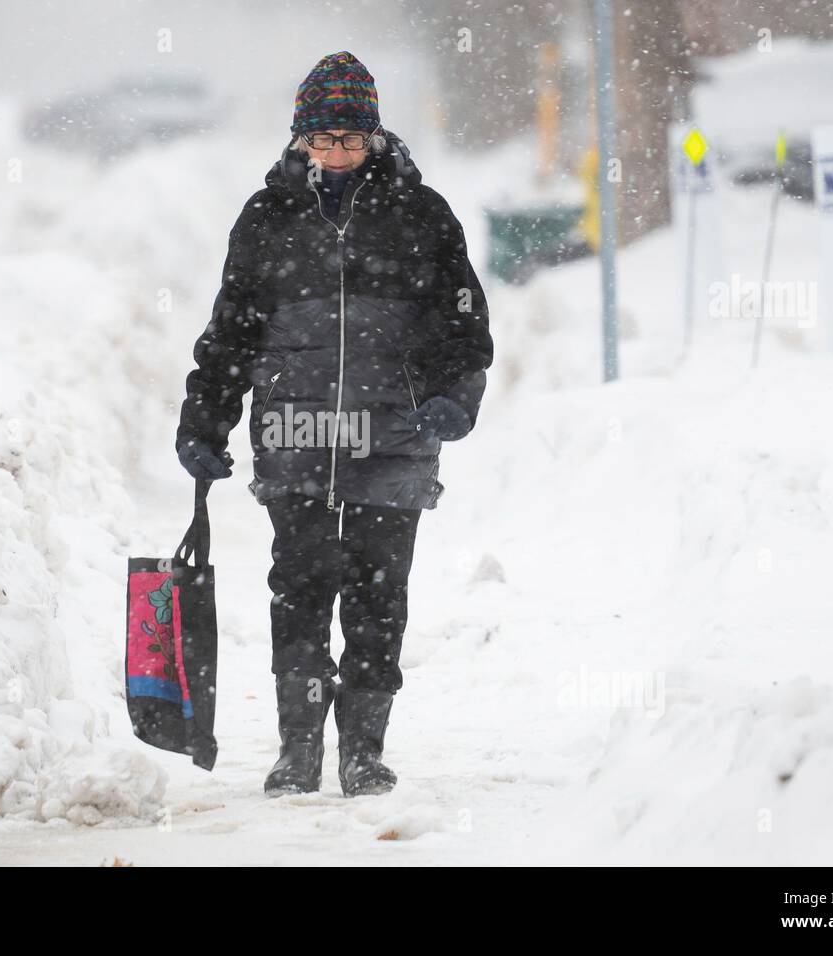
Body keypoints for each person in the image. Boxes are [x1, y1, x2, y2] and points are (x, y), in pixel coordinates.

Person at [175, 51, 493, 797]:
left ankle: (364, 749)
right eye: (323, 140)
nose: (338, 154)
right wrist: (205, 422)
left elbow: (464, 323)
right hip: (296, 436)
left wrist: (455, 396)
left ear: (374, 137)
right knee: (300, 590)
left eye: (351, 139)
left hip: (394, 437)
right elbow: (230, 332)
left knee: (380, 598)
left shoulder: (422, 213)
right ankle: (298, 747)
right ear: (299, 139)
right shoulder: (267, 217)